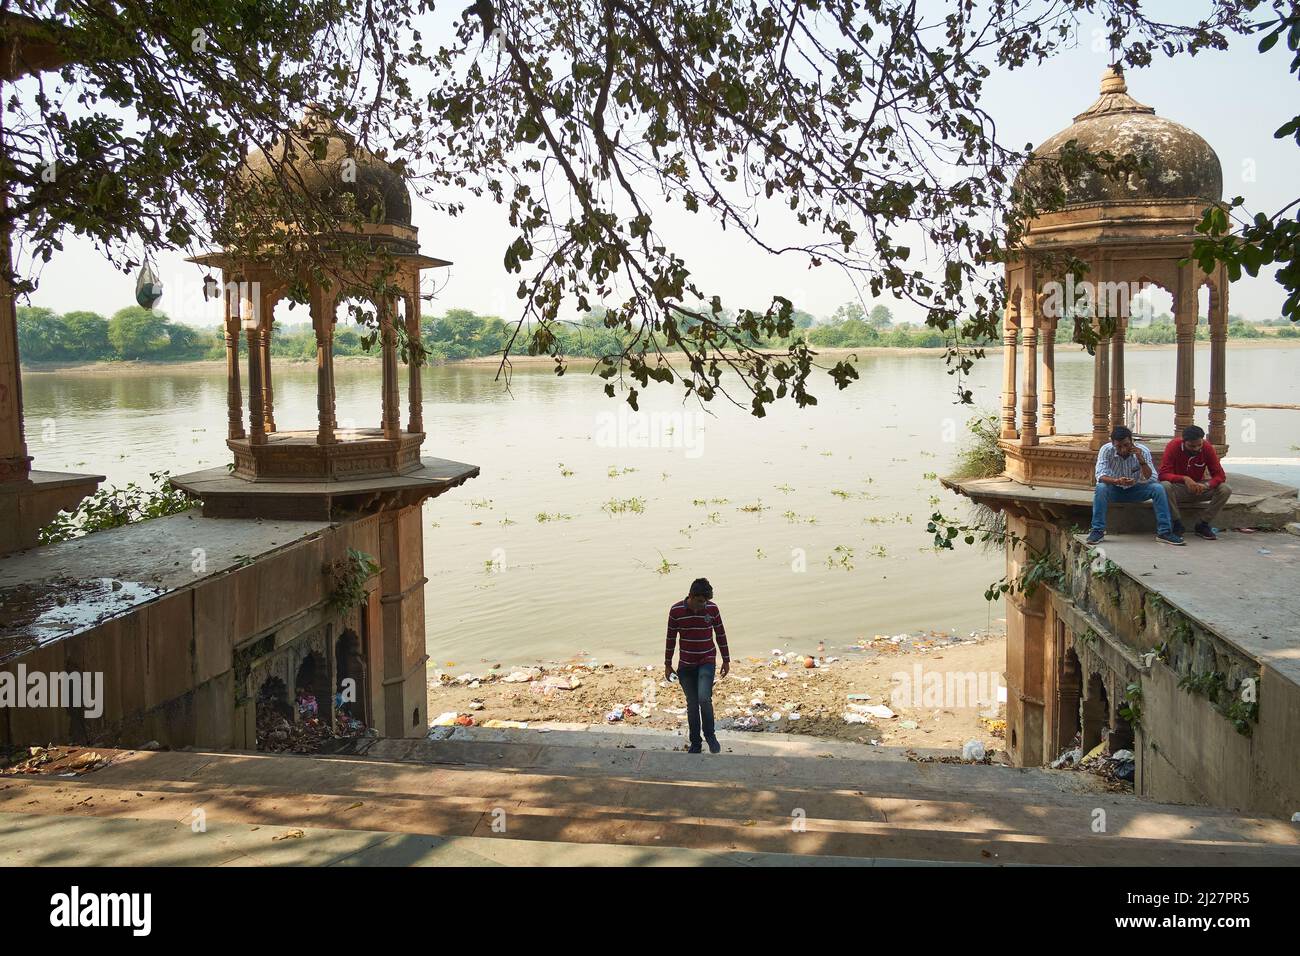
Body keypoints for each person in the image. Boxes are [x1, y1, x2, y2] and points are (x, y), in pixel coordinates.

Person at [1088, 426, 1184, 547]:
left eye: (1126, 445)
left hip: (1136, 490)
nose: (1123, 449)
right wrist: (1117, 481)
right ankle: (1097, 530)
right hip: (1114, 490)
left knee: (1158, 488)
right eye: (1119, 446)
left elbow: (1153, 478)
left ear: (1132, 442)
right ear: (1113, 444)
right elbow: (1100, 476)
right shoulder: (1106, 450)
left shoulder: (1142, 451)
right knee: (1101, 488)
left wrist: (1141, 461)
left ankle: (1164, 532)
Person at [665, 577, 730, 754]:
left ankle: (710, 735)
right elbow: (671, 638)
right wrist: (667, 664)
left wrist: (726, 659)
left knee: (704, 698)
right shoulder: (676, 610)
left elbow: (720, 634)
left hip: (707, 661)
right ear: (691, 596)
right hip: (686, 665)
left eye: (706, 601)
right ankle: (695, 742)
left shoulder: (712, 609)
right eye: (700, 601)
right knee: (692, 704)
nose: (704, 605)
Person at [1158, 425, 1231, 541]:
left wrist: (1206, 485)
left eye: (1199, 445)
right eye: (1192, 446)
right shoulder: (1173, 446)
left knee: (1225, 489)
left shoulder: (1207, 448)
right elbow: (1163, 475)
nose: (1196, 449)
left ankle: (1203, 524)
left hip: (1200, 488)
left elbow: (1220, 476)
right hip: (1179, 488)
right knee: (1163, 487)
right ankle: (1176, 523)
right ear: (1184, 441)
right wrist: (1184, 479)